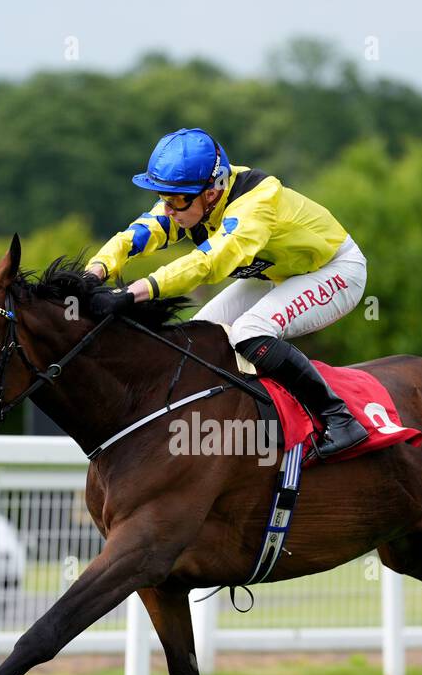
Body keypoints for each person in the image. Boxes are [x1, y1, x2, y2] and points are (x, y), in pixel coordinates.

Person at [86, 127, 369, 460]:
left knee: (250, 331)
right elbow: (138, 233)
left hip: (335, 270)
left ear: (211, 192)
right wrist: (95, 271)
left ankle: (338, 418)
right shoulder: (193, 200)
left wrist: (133, 293)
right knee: (198, 336)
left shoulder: (255, 205)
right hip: (277, 272)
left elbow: (209, 263)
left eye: (176, 200)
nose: (169, 209)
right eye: (164, 198)